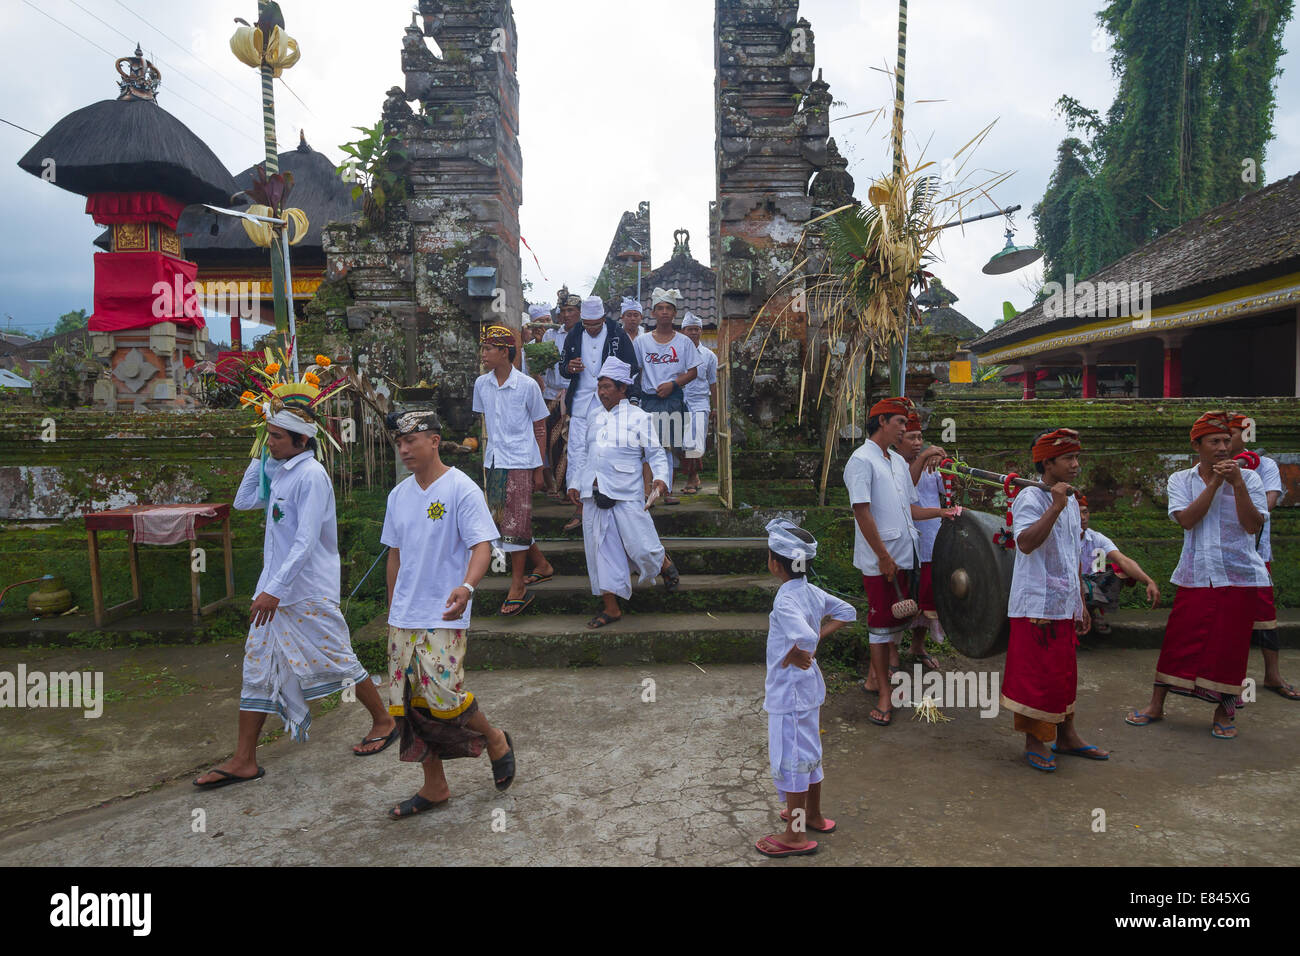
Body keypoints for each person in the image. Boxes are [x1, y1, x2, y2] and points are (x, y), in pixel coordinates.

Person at [195, 394, 397, 789]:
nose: (269, 442)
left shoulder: (311, 476)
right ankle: (244, 759)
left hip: (304, 591)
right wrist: (260, 452)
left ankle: (385, 720)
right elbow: (243, 500)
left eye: (275, 437)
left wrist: (275, 590)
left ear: (302, 441)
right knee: (258, 663)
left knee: (338, 656)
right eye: (266, 436)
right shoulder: (280, 470)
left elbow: (305, 542)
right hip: (275, 588)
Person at [380, 410, 516, 818]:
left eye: (411, 440)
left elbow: (482, 547)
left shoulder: (461, 488)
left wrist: (468, 587)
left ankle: (495, 739)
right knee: (407, 703)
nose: (403, 449)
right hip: (404, 615)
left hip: (445, 609)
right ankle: (434, 786)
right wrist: (392, 609)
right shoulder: (398, 495)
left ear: (435, 440)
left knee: (444, 695)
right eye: (399, 443)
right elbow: (395, 556)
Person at [1127, 412, 1269, 739]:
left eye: (1226, 441)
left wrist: (1236, 484)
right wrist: (1217, 483)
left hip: (1240, 575)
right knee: (1178, 640)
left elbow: (1252, 525)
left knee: (1231, 646)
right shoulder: (1181, 480)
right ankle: (1156, 704)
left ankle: (1224, 711)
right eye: (1214, 442)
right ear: (1197, 445)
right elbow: (1188, 520)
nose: (1223, 447)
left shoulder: (1251, 479)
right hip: (1195, 573)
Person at [843, 396, 957, 727]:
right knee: (880, 626)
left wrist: (940, 512)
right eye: (901, 424)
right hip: (882, 558)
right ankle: (883, 696)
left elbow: (910, 510)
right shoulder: (861, 460)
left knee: (897, 620)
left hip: (906, 555)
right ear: (882, 422)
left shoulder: (894, 461)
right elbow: (861, 512)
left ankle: (873, 679)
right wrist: (883, 557)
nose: (905, 430)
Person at [1001, 428, 1105, 771]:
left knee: (1064, 672)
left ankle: (1067, 735)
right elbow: (1027, 543)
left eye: (1077, 457)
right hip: (1035, 604)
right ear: (1047, 463)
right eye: (1068, 459)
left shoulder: (1072, 499)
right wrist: (1056, 506)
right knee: (1036, 675)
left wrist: (1081, 601)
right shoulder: (1030, 498)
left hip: (1063, 602)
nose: (1076, 465)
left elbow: (1071, 552)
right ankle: (1034, 739)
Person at [755, 519, 856, 859]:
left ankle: (795, 833)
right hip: (808, 692)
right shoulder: (810, 592)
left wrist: (802, 649)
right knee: (809, 756)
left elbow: (806, 635)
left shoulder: (785, 602)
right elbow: (848, 611)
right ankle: (811, 814)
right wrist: (810, 648)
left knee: (792, 763)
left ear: (775, 563)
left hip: (790, 695)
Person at [568, 356, 679, 628]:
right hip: (594, 493)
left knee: (642, 547)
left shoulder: (639, 417)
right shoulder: (592, 416)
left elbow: (655, 453)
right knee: (600, 553)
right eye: (600, 386)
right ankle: (611, 607)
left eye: (607, 387)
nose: (602, 392)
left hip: (627, 493)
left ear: (622, 389)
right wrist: (574, 482)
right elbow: (581, 452)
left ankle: (662, 562)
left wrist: (660, 479)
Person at [473, 325, 555, 616]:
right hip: (494, 461)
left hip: (521, 461)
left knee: (516, 526)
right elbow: (487, 424)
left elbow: (540, 427)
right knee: (502, 524)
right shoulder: (481, 384)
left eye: (488, 349)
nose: (483, 354)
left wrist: (539, 468)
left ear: (505, 352)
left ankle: (518, 584)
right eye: (483, 348)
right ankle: (542, 565)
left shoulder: (527, 386)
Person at [1228, 412, 1296, 699]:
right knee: (1231, 617)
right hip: (1224, 553)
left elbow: (1267, 506)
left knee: (1265, 614)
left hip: (1256, 551)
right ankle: (1232, 681)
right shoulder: (1210, 466)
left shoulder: (1264, 464)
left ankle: (1272, 675)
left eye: (1228, 434)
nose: (1223, 441)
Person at [559, 295, 641, 529]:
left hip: (608, 403)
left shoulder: (617, 333)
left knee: (607, 450)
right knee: (576, 452)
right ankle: (580, 506)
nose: (592, 329)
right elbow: (563, 367)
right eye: (587, 325)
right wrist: (569, 367)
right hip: (582, 401)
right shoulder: (574, 333)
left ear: (604, 319)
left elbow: (632, 368)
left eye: (596, 325)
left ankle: (609, 498)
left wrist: (629, 397)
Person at [633, 288, 700, 505]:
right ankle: (646, 490)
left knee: (669, 445)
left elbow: (693, 372)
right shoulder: (642, 342)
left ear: (674, 313)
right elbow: (635, 371)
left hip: (673, 399)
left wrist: (673, 384)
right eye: (660, 308)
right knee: (648, 445)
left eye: (668, 308)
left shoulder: (683, 342)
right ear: (653, 313)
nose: (664, 312)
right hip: (649, 399)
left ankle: (667, 490)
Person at [1076, 494, 1160, 634]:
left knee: (1119, 571)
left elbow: (1123, 560)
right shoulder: (1062, 538)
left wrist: (1148, 581)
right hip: (1069, 585)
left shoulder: (1096, 538)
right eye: (1077, 513)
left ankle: (1093, 611)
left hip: (1092, 584)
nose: (1083, 518)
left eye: (1085, 512)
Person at [679, 311, 718, 495]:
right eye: (689, 329)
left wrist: (716, 407)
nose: (693, 332)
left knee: (695, 440)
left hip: (700, 401)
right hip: (679, 401)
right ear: (683, 331)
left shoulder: (709, 356)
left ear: (701, 331)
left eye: (696, 329)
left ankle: (692, 477)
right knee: (679, 440)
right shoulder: (675, 352)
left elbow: (713, 382)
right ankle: (687, 477)